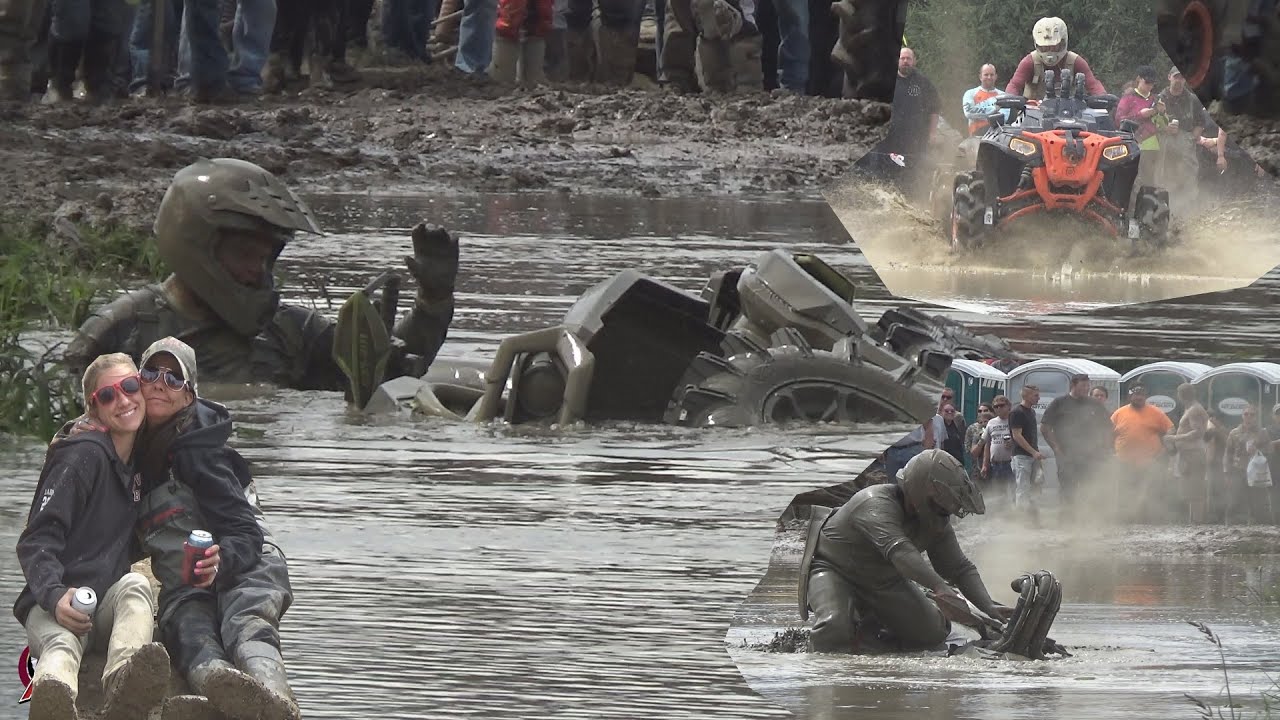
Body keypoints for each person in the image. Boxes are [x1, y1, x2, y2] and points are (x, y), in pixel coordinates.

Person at [64, 157, 459, 397]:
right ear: (197, 243)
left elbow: (386, 369)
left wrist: (433, 301)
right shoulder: (122, 329)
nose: (258, 269)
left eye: (266, 256)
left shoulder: (290, 327)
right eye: (244, 254)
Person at [64, 337, 300, 720]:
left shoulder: (201, 451)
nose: (160, 383)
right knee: (189, 632)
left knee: (247, 627)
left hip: (247, 563)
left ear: (189, 396)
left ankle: (275, 702)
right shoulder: (127, 442)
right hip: (185, 581)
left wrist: (221, 563)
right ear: (136, 381)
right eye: (151, 373)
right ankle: (218, 684)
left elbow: (245, 531)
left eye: (174, 378)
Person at [15, 353, 170, 720]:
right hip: (54, 604)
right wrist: (54, 596)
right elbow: (35, 540)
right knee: (62, 644)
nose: (124, 400)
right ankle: (54, 698)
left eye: (131, 387)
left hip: (103, 604)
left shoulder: (140, 458)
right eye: (108, 396)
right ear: (94, 409)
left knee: (135, 585)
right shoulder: (81, 456)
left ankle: (125, 688)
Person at [800, 450, 1011, 653]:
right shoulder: (874, 502)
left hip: (883, 580)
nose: (945, 514)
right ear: (922, 491)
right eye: (942, 506)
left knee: (932, 633)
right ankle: (819, 665)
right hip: (834, 570)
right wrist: (940, 588)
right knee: (834, 625)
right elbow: (900, 551)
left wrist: (987, 605)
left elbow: (959, 568)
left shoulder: (935, 520)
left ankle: (870, 634)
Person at [1040, 374, 1113, 510]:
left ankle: (1087, 517)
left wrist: (1104, 447)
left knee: (1089, 486)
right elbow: (1045, 427)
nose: (1086, 389)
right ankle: (1067, 518)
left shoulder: (1094, 404)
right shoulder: (1059, 403)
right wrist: (1055, 447)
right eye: (1083, 386)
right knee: (1068, 487)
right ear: (1073, 385)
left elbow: (1108, 427)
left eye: (1087, 386)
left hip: (1091, 454)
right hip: (1066, 453)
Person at [1110, 384, 1174, 522]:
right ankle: (1125, 519)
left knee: (1148, 490)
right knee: (1125, 490)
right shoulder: (1119, 413)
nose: (1139, 397)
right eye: (1136, 395)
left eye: (1142, 395)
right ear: (1130, 396)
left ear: (1145, 397)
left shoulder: (1156, 412)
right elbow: (1109, 434)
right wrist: (1111, 452)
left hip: (1149, 461)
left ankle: (1147, 519)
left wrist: (1166, 446)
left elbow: (1170, 428)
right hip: (1124, 461)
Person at [1004, 17, 1105, 100]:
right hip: (1033, 116)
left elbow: (1093, 85)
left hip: (1070, 115)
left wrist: (1102, 98)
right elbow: (1015, 85)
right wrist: (1010, 98)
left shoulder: (1075, 61)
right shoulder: (1030, 61)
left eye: (1054, 47)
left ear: (1063, 42)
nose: (1049, 51)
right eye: (1044, 47)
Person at [1167, 383, 1211, 523]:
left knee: (1196, 490)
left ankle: (1197, 522)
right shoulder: (1191, 409)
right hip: (1187, 454)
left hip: (1194, 454)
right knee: (1190, 490)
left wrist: (1175, 438)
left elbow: (1198, 432)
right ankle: (1193, 521)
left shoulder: (1195, 410)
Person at [1008, 385, 1043, 521]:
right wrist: (1033, 452)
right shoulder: (1017, 412)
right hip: (1021, 456)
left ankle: (1032, 516)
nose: (1038, 398)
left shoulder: (1031, 412)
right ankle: (1021, 519)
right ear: (1026, 396)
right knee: (1022, 488)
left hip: (1032, 455)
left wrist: (1036, 453)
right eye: (1035, 395)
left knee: (1036, 485)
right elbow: (1017, 435)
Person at [981, 395, 1015, 504]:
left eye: (1001, 405)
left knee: (1013, 491)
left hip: (1011, 463)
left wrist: (1013, 443)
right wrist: (985, 465)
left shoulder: (1014, 421)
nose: (999, 408)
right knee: (998, 494)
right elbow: (987, 444)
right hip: (995, 464)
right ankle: (1000, 515)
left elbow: (1023, 439)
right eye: (996, 407)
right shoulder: (991, 423)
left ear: (1008, 406)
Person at [961, 64, 1007, 136]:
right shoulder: (970, 93)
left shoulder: (1003, 96)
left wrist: (979, 113)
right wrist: (994, 109)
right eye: (986, 75)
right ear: (980, 77)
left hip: (996, 138)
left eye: (992, 75)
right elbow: (969, 112)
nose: (989, 77)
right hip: (975, 137)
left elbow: (1004, 118)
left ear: (996, 77)